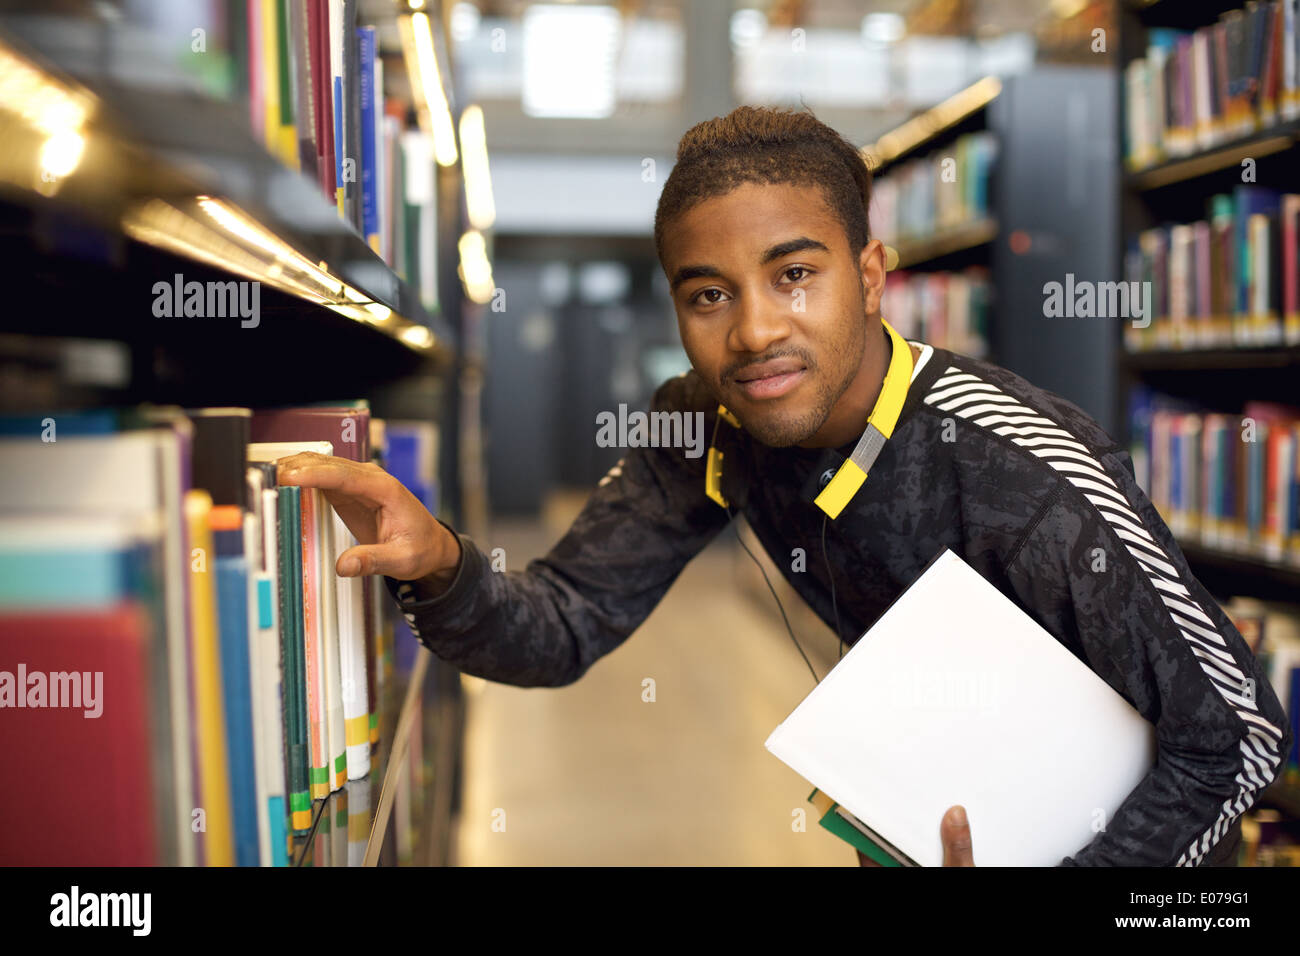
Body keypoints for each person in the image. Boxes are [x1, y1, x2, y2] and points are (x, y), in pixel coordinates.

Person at [277, 106, 1290, 867]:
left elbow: (1239, 734)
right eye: (708, 294)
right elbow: (559, 623)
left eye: (793, 274)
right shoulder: (707, 422)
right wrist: (443, 560)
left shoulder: (1017, 472)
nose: (754, 330)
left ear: (871, 271)